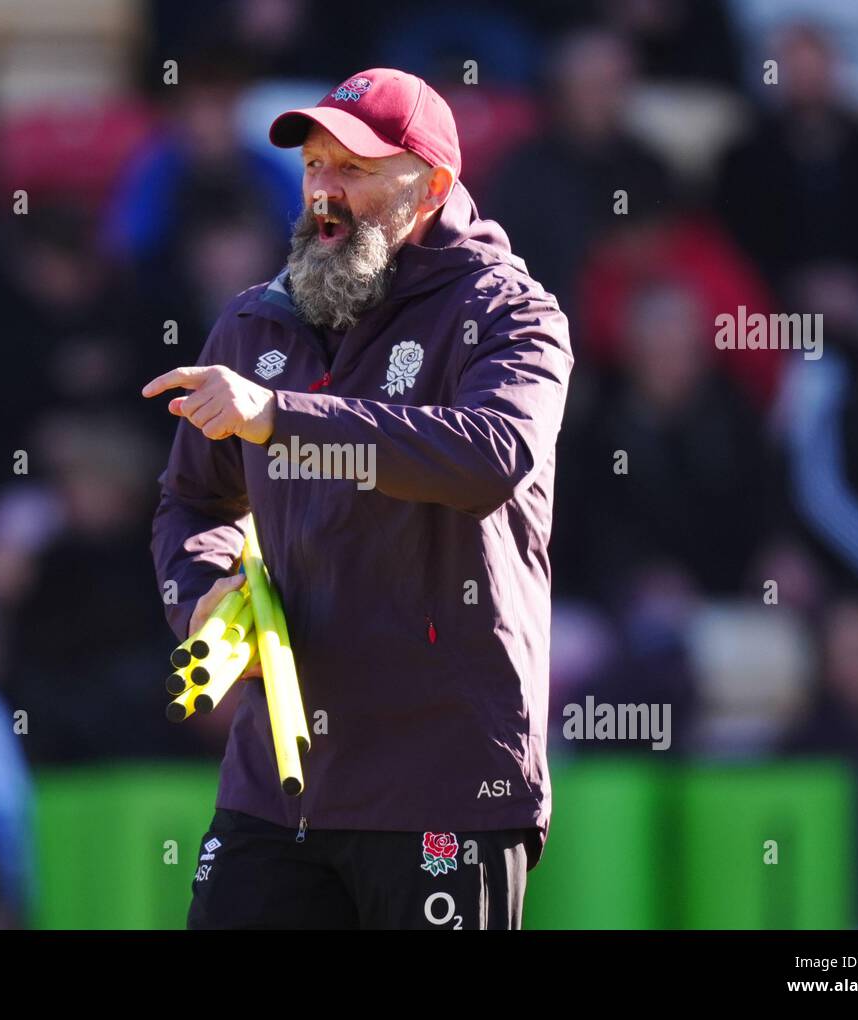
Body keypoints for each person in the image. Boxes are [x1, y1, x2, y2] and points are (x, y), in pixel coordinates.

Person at [145, 69, 573, 929]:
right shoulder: (253, 324)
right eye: (314, 166)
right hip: (278, 785)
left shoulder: (510, 313)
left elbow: (489, 456)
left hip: (445, 780)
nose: (324, 194)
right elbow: (189, 503)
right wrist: (201, 598)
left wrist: (280, 417)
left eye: (356, 168)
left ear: (434, 188)